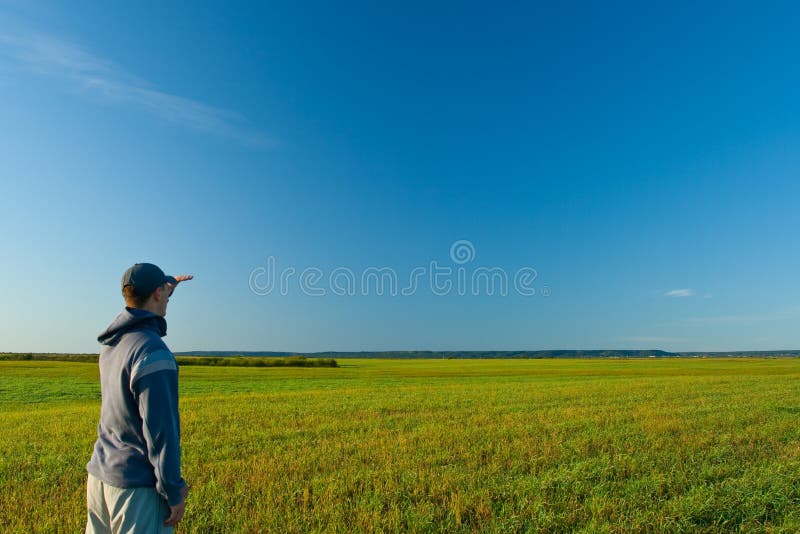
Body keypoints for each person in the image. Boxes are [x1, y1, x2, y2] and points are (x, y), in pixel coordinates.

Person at [86, 263, 193, 533]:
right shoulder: (152, 351)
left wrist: (166, 286)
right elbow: (161, 432)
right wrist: (172, 490)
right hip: (136, 491)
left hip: (100, 479)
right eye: (164, 291)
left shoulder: (113, 344)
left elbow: (143, 304)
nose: (167, 296)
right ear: (157, 293)